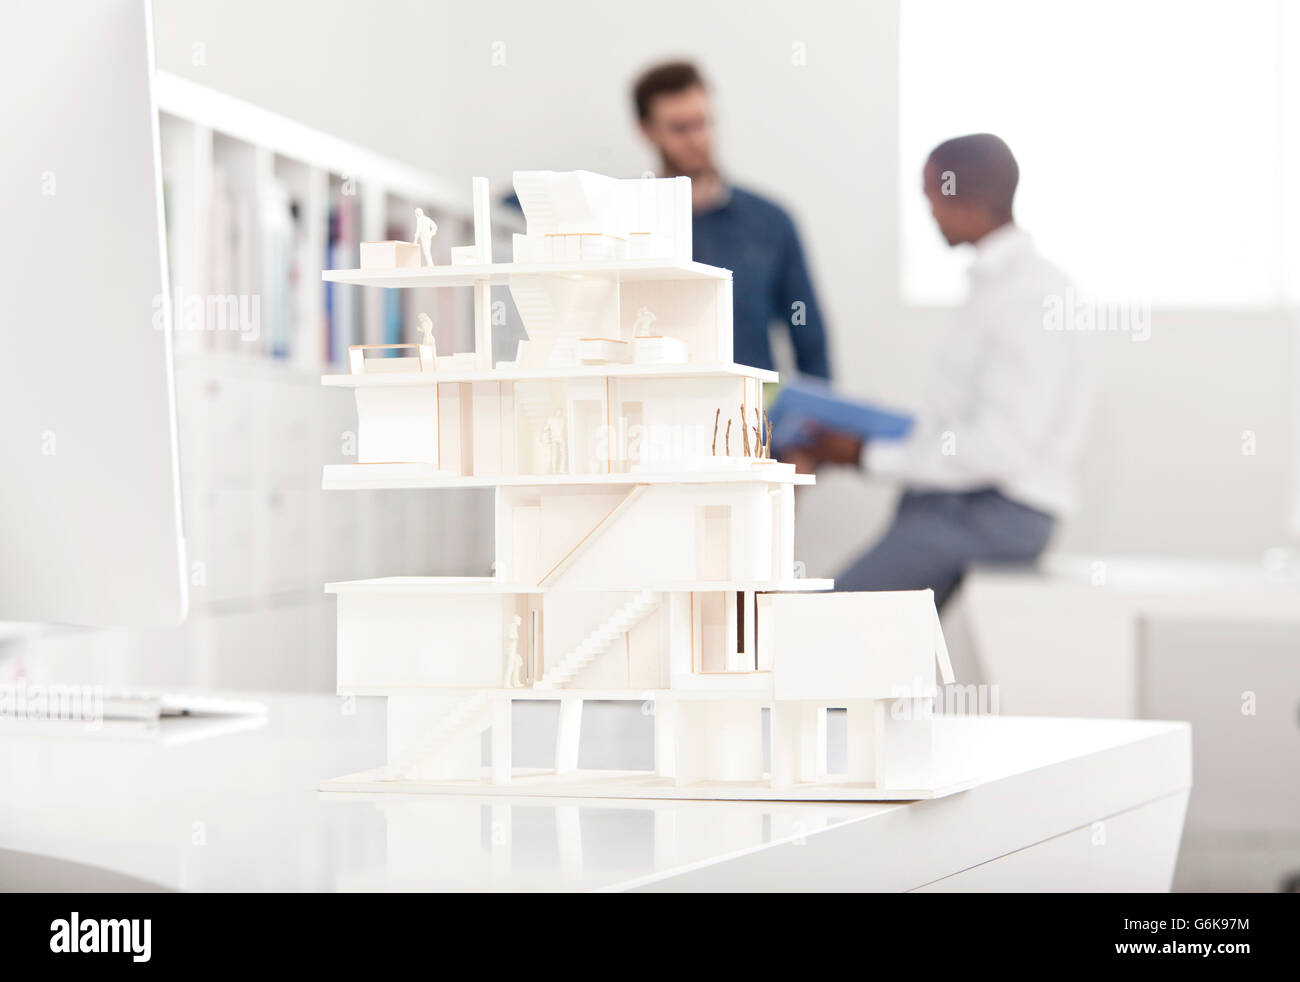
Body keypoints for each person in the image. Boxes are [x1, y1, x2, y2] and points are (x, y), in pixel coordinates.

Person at [790, 134, 1093, 610]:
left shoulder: (1030, 295)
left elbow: (1002, 447)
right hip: (956, 504)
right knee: (847, 624)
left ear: (954, 194)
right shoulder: (999, 287)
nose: (928, 211)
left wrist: (869, 455)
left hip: (993, 511)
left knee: (826, 617)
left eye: (929, 194)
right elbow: (965, 425)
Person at [632, 61, 831, 379]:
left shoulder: (771, 223)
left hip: (751, 418)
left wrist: (822, 419)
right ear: (646, 130)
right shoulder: (625, 219)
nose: (696, 139)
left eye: (703, 123)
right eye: (680, 128)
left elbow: (809, 339)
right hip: (653, 416)